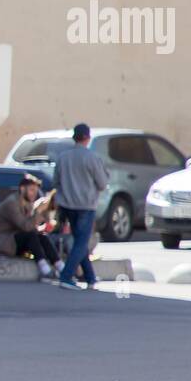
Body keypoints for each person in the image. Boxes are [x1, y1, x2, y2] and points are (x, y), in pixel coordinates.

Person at [52, 123, 109, 291]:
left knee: (79, 242)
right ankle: (66, 276)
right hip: (86, 206)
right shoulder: (91, 157)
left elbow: (56, 182)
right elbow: (102, 183)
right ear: (87, 138)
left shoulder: (63, 157)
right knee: (81, 243)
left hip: (67, 206)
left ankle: (90, 278)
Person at [0, 174, 63, 278]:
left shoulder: (28, 204)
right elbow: (25, 226)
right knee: (31, 236)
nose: (34, 194)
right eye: (31, 190)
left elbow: (31, 227)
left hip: (17, 240)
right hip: (5, 243)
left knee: (42, 237)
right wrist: (38, 211)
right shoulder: (11, 203)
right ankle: (44, 267)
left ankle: (60, 265)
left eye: (35, 191)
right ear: (22, 189)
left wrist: (42, 227)